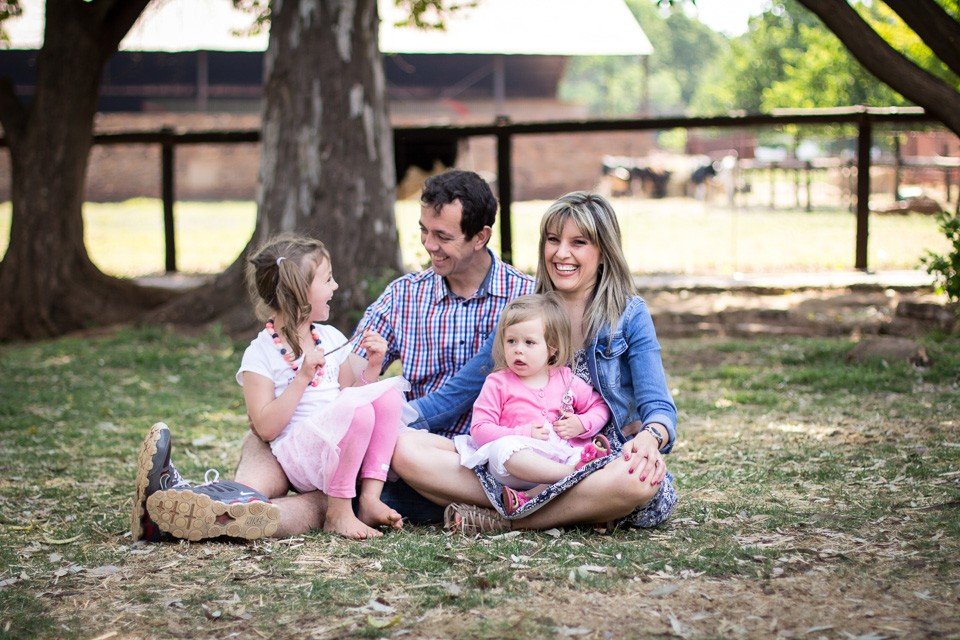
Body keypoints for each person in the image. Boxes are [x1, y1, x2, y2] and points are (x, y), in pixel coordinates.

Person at [132, 169, 534, 541]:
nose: (429, 245)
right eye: (424, 231)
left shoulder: (523, 300)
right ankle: (215, 505)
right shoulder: (404, 295)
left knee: (330, 495)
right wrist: (353, 373)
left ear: (480, 237)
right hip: (384, 458)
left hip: (451, 461)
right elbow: (347, 374)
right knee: (263, 436)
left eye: (442, 236)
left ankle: (210, 516)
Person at [391, 191, 679, 535]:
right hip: (522, 462)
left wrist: (650, 437)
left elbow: (659, 408)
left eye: (579, 242)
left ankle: (507, 521)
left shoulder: (629, 315)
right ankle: (578, 510)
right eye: (553, 240)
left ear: (603, 252)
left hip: (600, 464)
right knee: (403, 447)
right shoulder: (525, 314)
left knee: (638, 480)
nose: (561, 253)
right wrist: (387, 418)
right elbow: (456, 394)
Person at [451, 294, 611, 515]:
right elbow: (479, 429)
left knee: (582, 455)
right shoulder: (498, 382)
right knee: (503, 449)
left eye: (529, 343)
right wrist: (522, 432)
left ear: (552, 348)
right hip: (517, 469)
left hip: (560, 454)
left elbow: (600, 407)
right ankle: (572, 475)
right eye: (511, 341)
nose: (518, 349)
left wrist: (582, 424)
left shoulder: (565, 378)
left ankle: (532, 497)